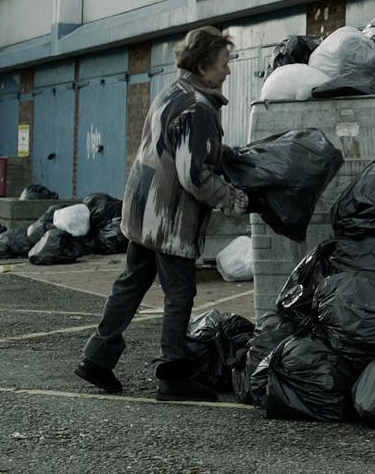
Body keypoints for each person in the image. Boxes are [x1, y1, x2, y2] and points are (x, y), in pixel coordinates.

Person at [75, 26, 249, 402]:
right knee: (181, 291)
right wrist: (232, 198)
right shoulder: (198, 108)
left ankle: (97, 357)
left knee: (131, 283)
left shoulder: (172, 92)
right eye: (224, 64)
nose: (229, 71)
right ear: (203, 67)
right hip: (168, 216)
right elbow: (194, 175)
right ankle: (174, 374)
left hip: (141, 208)